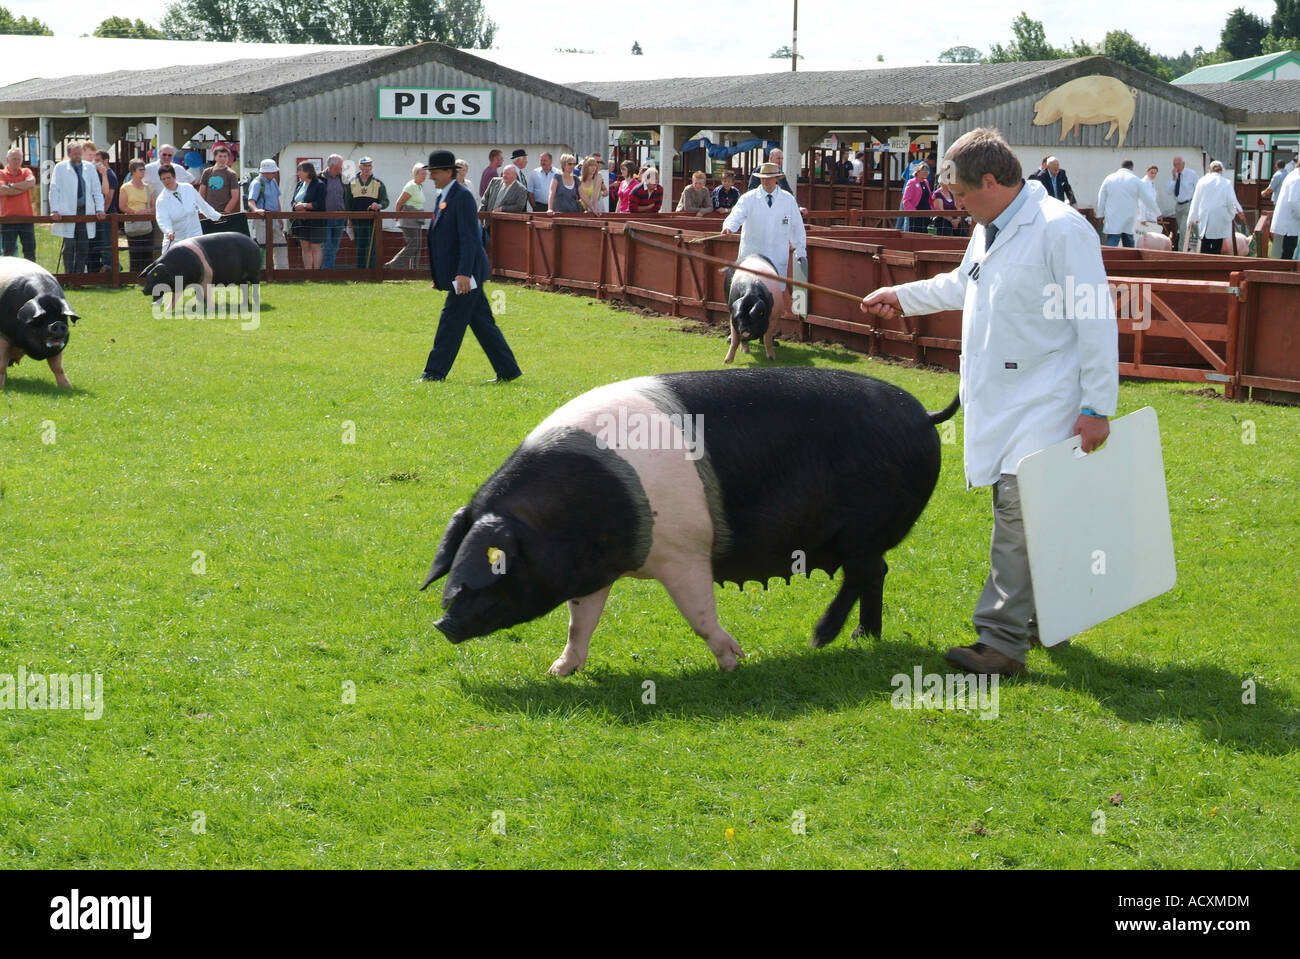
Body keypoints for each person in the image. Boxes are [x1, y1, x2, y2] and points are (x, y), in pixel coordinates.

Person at [860, 127, 1117, 676]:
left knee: (1017, 514)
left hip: (1047, 401)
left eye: (961, 194)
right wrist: (901, 298)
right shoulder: (989, 228)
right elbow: (963, 284)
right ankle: (1047, 621)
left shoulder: (1060, 230)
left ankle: (1000, 642)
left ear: (994, 180)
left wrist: (1097, 407)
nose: (954, 204)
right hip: (1004, 400)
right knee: (1040, 518)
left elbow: (1096, 319)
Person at [420, 148, 522, 384]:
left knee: (451, 321)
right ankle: (507, 369)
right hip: (460, 273)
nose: (431, 176)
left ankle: (434, 373)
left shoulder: (462, 196)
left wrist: (464, 273)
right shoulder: (442, 197)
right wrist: (440, 274)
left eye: (434, 171)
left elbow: (470, 238)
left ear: (448, 172)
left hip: (467, 275)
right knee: (483, 323)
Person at [722, 160, 807, 282]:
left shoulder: (788, 200)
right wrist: (729, 227)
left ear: (776, 179)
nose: (765, 181)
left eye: (769, 178)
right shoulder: (748, 198)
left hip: (777, 257)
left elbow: (797, 227)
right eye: (762, 178)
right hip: (752, 258)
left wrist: (800, 252)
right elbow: (736, 215)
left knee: (775, 295)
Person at [49, 141, 105, 273]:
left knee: (83, 246)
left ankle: (78, 277)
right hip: (67, 211)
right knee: (69, 245)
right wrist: (54, 209)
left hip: (85, 211)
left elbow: (96, 190)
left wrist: (100, 209)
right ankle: (69, 275)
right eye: (75, 154)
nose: (78, 157)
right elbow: (54, 189)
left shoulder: (89, 168)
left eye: (79, 154)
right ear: (69, 154)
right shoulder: (60, 167)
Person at [156, 163, 221, 252]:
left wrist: (218, 217)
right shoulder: (161, 199)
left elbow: (203, 205)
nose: (166, 181)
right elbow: (162, 219)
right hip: (175, 239)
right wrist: (169, 231)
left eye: (168, 178)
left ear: (174, 177)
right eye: (163, 179)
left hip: (195, 236)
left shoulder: (188, 188)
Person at [1187, 160, 1246, 254]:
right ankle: (1215, 265)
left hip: (1205, 215)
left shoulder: (1202, 181)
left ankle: (1204, 265)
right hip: (1219, 217)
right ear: (1221, 170)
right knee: (1217, 244)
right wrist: (1238, 211)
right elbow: (1232, 201)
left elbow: (1195, 201)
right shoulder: (1226, 182)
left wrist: (1191, 219)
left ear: (1209, 170)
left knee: (1204, 244)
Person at [1097, 159, 1154, 248]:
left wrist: (1100, 214)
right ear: (1132, 168)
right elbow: (1143, 200)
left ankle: (1108, 259)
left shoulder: (1109, 178)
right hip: (1129, 217)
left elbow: (1101, 196)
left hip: (1114, 216)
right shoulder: (1135, 180)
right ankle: (1130, 260)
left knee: (1113, 238)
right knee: (1128, 241)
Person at [247, 158, 288, 270]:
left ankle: (282, 271)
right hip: (262, 219)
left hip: (274, 217)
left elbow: (276, 199)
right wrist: (256, 210)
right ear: (265, 172)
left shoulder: (273, 182)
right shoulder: (256, 183)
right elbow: (251, 201)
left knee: (281, 244)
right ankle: (262, 272)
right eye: (273, 172)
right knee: (263, 246)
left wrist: (280, 217)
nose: (275, 174)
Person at [386, 162, 429, 269]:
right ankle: (394, 264)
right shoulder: (411, 186)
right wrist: (396, 215)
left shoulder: (419, 186)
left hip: (417, 219)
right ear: (416, 174)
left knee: (417, 245)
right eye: (422, 174)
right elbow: (399, 202)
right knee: (413, 244)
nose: (425, 176)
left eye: (425, 174)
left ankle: (414, 270)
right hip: (408, 220)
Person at [349, 156, 389, 269]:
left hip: (373, 221)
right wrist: (349, 220)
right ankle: (361, 273)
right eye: (365, 165)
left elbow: (385, 201)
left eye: (369, 165)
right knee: (360, 247)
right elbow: (348, 203)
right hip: (357, 221)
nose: (367, 168)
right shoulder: (351, 183)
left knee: (373, 247)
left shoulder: (378, 183)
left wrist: (379, 205)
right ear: (360, 167)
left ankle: (372, 272)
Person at [118, 158, 156, 274]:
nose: (143, 172)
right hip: (133, 223)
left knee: (147, 252)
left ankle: (147, 278)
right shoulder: (126, 187)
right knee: (134, 252)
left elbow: (154, 205)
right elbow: (122, 206)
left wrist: (148, 211)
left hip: (147, 224)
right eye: (140, 170)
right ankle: (134, 277)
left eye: (144, 169)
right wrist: (135, 213)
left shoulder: (148, 187)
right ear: (133, 171)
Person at [0, 147, 37, 260]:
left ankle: (31, 276)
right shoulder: (1, 173)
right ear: (7, 159)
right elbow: (2, 190)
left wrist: (11, 185)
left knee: (30, 251)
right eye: (14, 158)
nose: (16, 161)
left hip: (26, 219)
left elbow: (31, 182)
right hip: (8, 220)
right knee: (9, 253)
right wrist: (23, 187)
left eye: (19, 159)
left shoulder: (26, 171)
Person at [85, 150, 118, 271]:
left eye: (98, 161)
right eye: (94, 160)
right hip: (100, 217)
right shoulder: (97, 174)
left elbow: (108, 198)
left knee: (107, 246)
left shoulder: (109, 175)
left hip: (107, 217)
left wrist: (101, 212)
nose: (95, 163)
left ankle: (112, 271)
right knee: (98, 245)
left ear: (106, 161)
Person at [290, 161, 326, 269]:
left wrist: (305, 205)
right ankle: (308, 273)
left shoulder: (319, 185)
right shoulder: (300, 184)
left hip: (316, 221)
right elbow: (293, 200)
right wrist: (295, 206)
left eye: (300, 170)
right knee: (305, 247)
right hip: (301, 220)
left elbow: (320, 204)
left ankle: (316, 274)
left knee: (315, 246)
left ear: (307, 171)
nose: (298, 173)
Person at [197, 144, 241, 233]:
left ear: (228, 158)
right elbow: (201, 193)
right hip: (207, 212)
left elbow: (235, 196)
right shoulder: (207, 172)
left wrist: (225, 213)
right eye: (220, 156)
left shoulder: (231, 174)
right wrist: (202, 210)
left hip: (223, 212)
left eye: (225, 156)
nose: (222, 159)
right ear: (215, 157)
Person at [320, 155, 348, 270]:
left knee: (335, 247)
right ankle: (327, 272)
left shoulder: (344, 179)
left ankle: (327, 270)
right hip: (325, 218)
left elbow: (347, 197)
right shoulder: (319, 178)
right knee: (327, 246)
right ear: (332, 166)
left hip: (340, 217)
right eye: (340, 167)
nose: (341, 169)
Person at [1268, 164, 1300, 259]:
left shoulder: (1292, 175)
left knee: (1286, 250)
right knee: (1288, 251)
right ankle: (1286, 273)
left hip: (1288, 221)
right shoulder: (1297, 179)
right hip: (1290, 223)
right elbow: (1294, 201)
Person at [1169, 155, 1199, 251]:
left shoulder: (1191, 174)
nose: (1176, 167)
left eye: (1178, 164)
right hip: (1179, 206)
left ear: (1183, 164)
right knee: (1191, 229)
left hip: (1189, 204)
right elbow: (1168, 191)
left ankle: (1181, 253)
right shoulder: (1174, 175)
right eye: (1174, 165)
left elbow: (1198, 189)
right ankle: (1201, 241)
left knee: (1183, 231)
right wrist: (1174, 178)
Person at [902, 162, 932, 233]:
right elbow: (906, 200)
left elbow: (929, 197)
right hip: (916, 214)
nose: (926, 173)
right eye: (923, 171)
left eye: (927, 171)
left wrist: (932, 209)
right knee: (915, 233)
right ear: (917, 172)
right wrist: (913, 212)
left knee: (925, 233)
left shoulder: (926, 182)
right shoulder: (912, 182)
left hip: (926, 213)